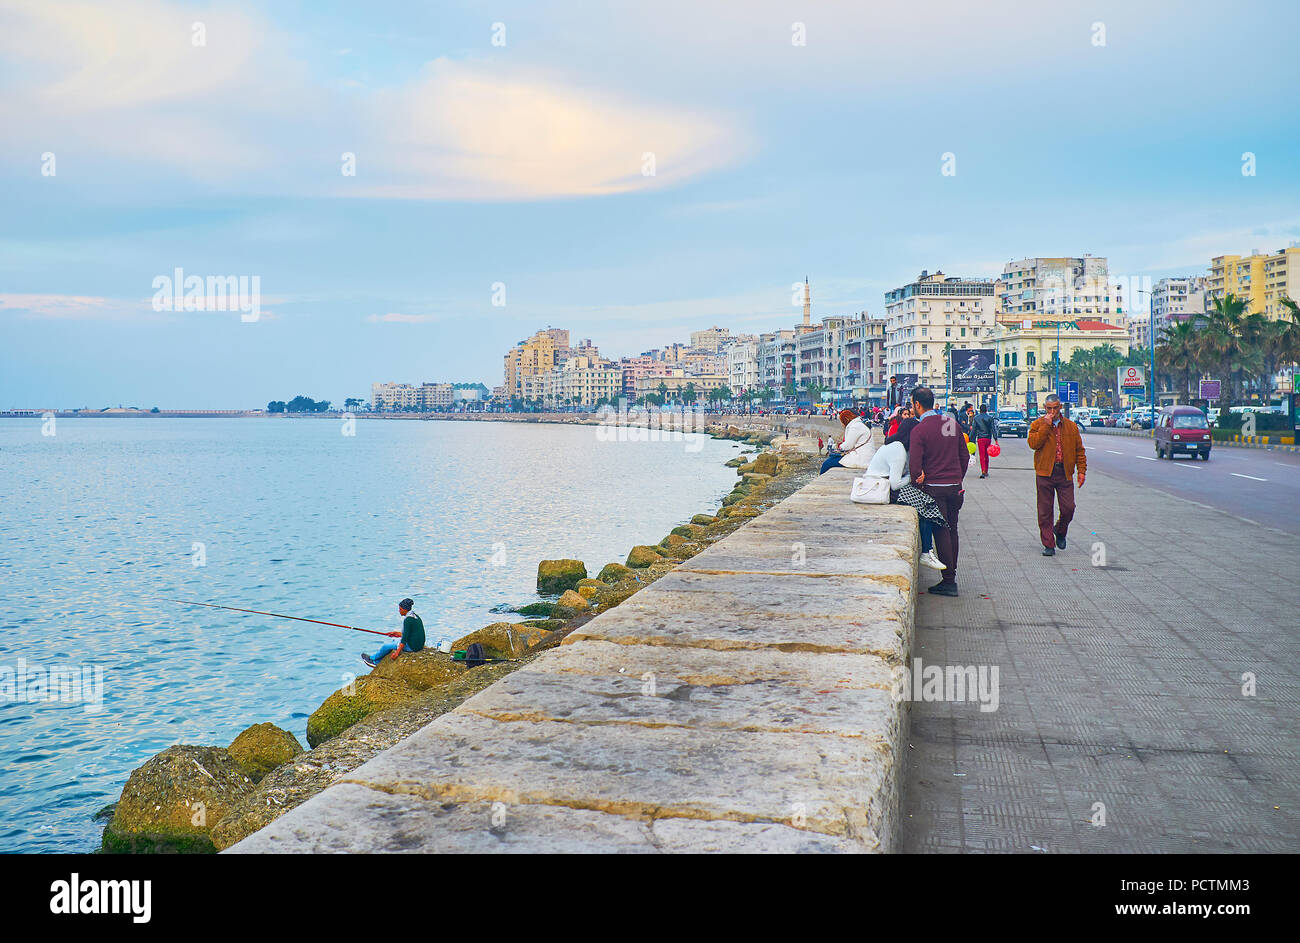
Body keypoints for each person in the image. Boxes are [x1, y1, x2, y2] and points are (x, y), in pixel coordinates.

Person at [908, 386, 969, 596]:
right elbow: (965, 456)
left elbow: (915, 467)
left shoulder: (920, 430)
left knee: (941, 531)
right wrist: (957, 478)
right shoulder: (951, 424)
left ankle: (949, 581)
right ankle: (951, 575)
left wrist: (921, 487)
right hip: (954, 487)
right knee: (953, 530)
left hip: (934, 489)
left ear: (917, 404)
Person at [876, 407, 945, 571]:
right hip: (884, 488)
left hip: (884, 486)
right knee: (924, 503)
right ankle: (927, 552)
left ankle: (927, 551)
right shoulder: (898, 449)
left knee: (924, 501)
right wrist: (913, 478)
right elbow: (895, 483)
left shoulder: (897, 445)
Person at [1027, 393, 1086, 556]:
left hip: (1064, 472)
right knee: (1045, 510)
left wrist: (1081, 471)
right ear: (1044, 408)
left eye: (1055, 408)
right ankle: (1048, 544)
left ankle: (1060, 530)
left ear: (1060, 408)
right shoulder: (1037, 424)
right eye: (1049, 408)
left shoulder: (1071, 427)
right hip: (1044, 472)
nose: (1052, 412)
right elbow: (1033, 444)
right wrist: (1046, 425)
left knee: (1069, 508)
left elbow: (1079, 451)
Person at [362, 597, 425, 667]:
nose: (399, 611)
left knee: (385, 646)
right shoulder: (415, 616)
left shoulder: (408, 620)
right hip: (419, 645)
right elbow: (409, 633)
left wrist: (397, 653)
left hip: (413, 647)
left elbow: (404, 639)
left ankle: (373, 660)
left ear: (405, 609)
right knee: (394, 640)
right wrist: (395, 633)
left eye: (400, 609)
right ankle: (379, 660)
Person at [820, 408, 874, 473]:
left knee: (827, 464)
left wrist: (838, 447)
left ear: (846, 419)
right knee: (831, 460)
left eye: (842, 422)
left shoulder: (855, 427)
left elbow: (848, 446)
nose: (842, 425)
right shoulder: (858, 425)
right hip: (863, 457)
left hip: (860, 459)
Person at [970, 403, 1000, 478]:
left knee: (982, 455)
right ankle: (986, 470)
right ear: (986, 410)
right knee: (987, 455)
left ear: (980, 410)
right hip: (988, 438)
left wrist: (969, 438)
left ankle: (983, 470)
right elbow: (993, 429)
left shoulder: (976, 418)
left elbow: (973, 430)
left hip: (980, 438)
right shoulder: (990, 418)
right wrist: (995, 439)